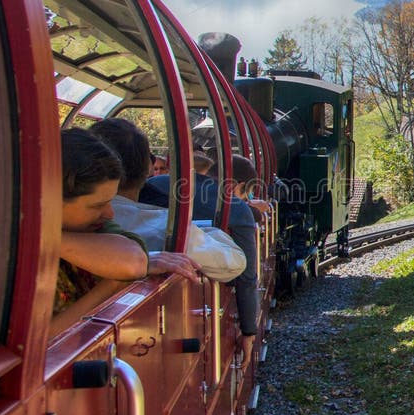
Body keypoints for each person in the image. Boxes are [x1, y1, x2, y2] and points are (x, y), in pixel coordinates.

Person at [141, 152, 263, 365]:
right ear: (234, 185)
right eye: (248, 193)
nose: (247, 199)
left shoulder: (156, 183)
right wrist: (249, 331)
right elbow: (247, 276)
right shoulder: (236, 207)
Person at [89, 118, 246, 282]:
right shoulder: (163, 227)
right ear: (148, 167)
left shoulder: (70, 225)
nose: (108, 213)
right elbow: (234, 262)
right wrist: (204, 230)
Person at [53, 128, 151, 336]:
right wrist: (114, 281)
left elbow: (133, 261)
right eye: (97, 205)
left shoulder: (93, 226)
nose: (109, 213)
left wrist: (43, 238)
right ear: (51, 200)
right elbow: (45, 341)